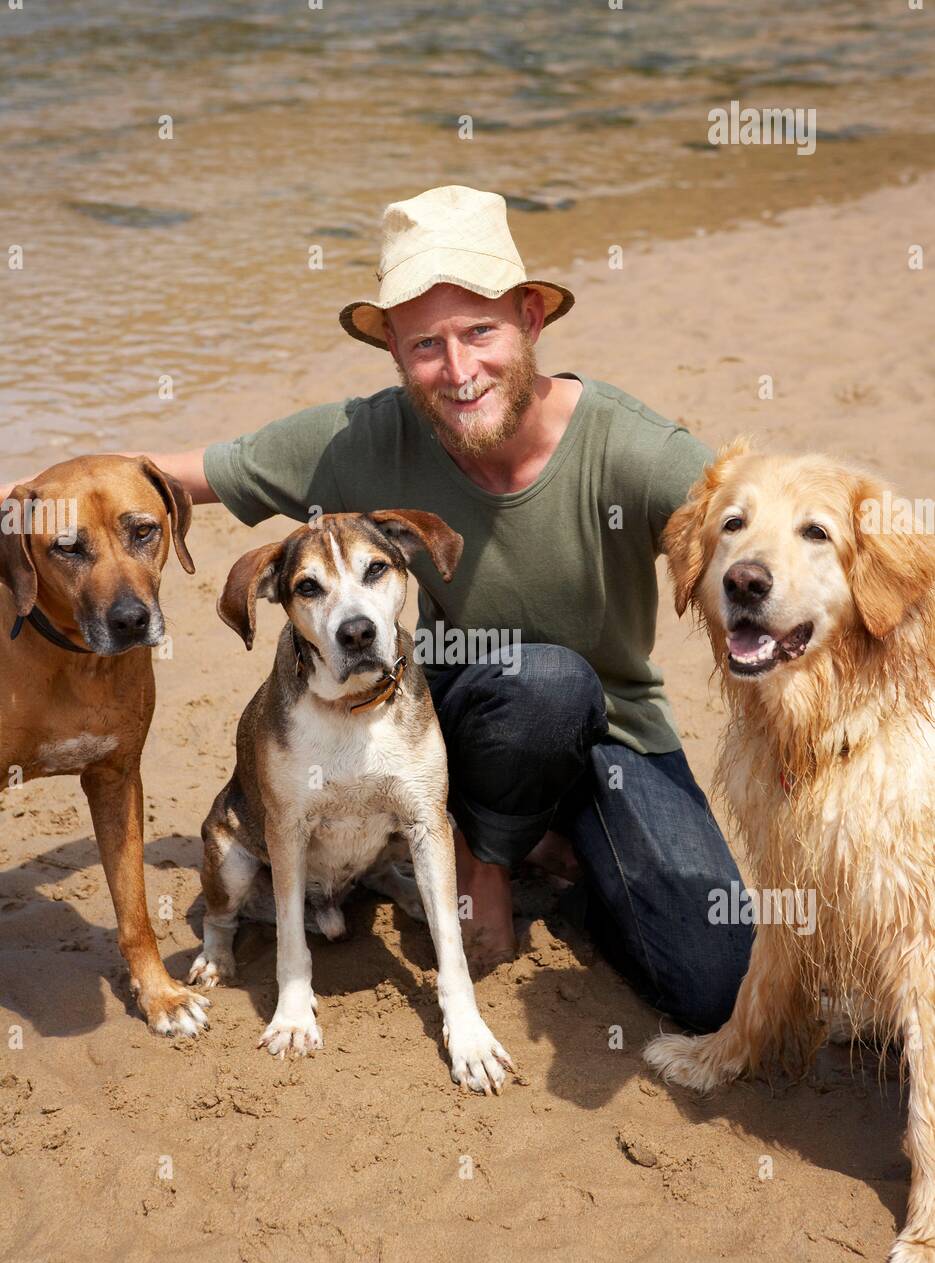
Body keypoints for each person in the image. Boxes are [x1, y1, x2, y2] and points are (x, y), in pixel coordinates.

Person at [3, 184, 752, 1032]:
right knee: (541, 682)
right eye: (425, 344)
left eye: (480, 332)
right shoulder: (362, 437)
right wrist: (24, 509)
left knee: (712, 982)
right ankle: (490, 853)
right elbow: (156, 477)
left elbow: (756, 525)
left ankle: (557, 840)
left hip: (612, 732)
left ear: (531, 319)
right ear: (393, 351)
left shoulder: (629, 446)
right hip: (460, 729)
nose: (458, 369)